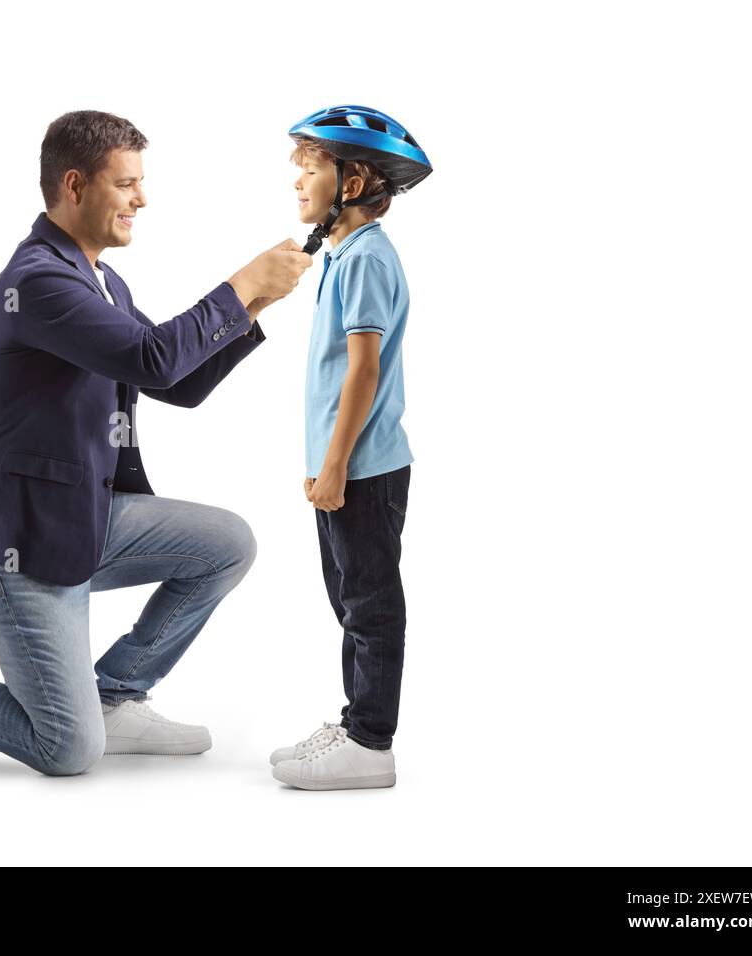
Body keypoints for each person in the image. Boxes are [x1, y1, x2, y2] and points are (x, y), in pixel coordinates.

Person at [0, 109, 312, 776]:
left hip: (77, 518)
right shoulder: (39, 281)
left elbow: (175, 382)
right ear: (74, 185)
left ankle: (114, 695)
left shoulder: (102, 281)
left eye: (141, 182)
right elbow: (153, 358)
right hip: (10, 539)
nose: (142, 198)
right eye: (127, 184)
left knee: (227, 543)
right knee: (66, 748)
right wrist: (244, 284)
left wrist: (256, 305)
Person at [267, 105, 433, 791]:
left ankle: (371, 742)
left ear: (355, 178)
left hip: (360, 468)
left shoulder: (366, 259)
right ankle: (355, 721)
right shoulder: (344, 255)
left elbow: (363, 371)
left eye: (311, 164)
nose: (296, 178)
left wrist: (335, 465)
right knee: (349, 602)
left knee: (370, 603)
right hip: (341, 466)